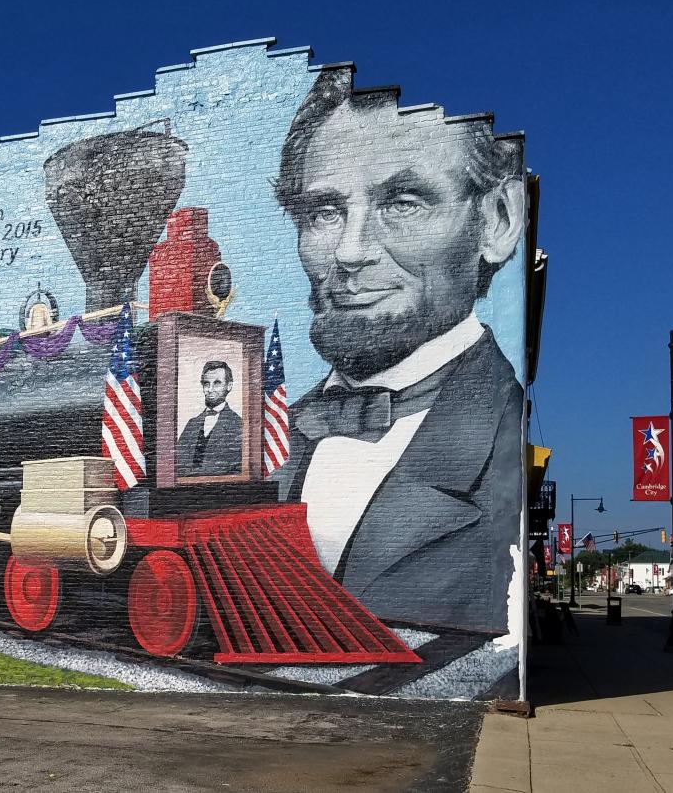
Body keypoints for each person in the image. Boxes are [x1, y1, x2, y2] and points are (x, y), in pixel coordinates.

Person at [272, 71, 527, 634]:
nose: (351, 250)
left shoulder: (510, 430)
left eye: (404, 202)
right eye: (324, 212)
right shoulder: (260, 444)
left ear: (499, 220)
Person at [176, 360, 243, 477]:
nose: (210, 389)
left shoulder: (238, 425)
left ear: (229, 386)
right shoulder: (192, 424)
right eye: (206, 384)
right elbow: (176, 463)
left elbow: (236, 470)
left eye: (217, 383)